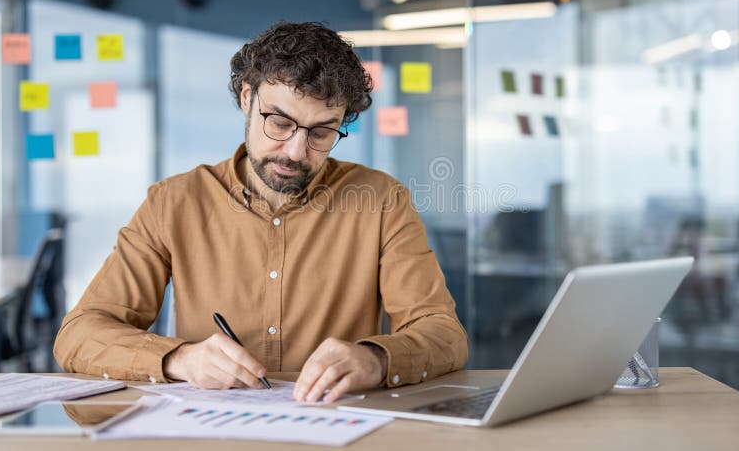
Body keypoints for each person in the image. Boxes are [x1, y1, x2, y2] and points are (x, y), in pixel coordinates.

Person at [53, 21, 468, 403]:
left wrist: (377, 359)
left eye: (322, 132)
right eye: (280, 123)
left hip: (338, 430)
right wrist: (181, 359)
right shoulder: (173, 202)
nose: (296, 151)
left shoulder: (381, 200)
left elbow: (445, 335)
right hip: (214, 434)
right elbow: (79, 335)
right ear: (248, 99)